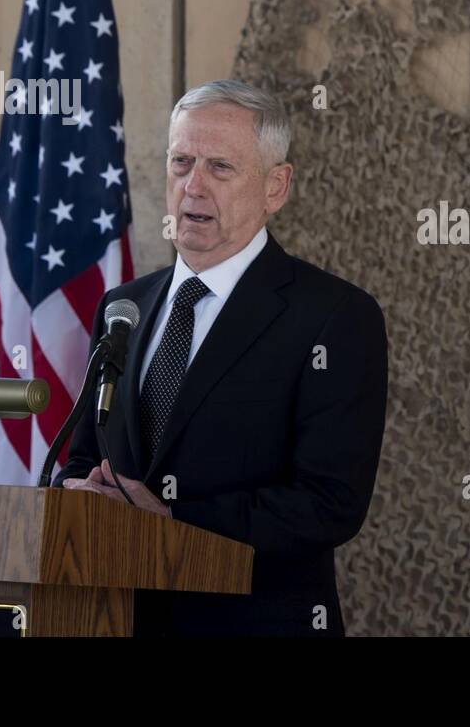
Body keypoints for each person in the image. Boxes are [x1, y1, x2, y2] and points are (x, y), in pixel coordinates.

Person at [55, 79, 388, 637]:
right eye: (181, 162)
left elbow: (330, 503)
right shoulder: (123, 308)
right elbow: (84, 460)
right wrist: (78, 495)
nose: (193, 186)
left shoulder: (334, 316)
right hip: (113, 620)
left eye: (220, 168)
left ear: (276, 187)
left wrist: (173, 521)